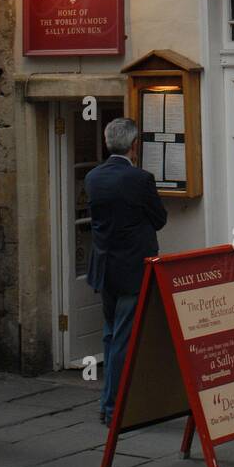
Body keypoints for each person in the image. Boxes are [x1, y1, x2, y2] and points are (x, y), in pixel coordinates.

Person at [86, 118, 167, 424]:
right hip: (132, 269)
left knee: (110, 336)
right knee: (122, 338)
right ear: (135, 145)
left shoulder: (93, 177)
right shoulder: (140, 179)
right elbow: (159, 219)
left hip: (105, 268)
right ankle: (113, 408)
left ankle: (109, 403)